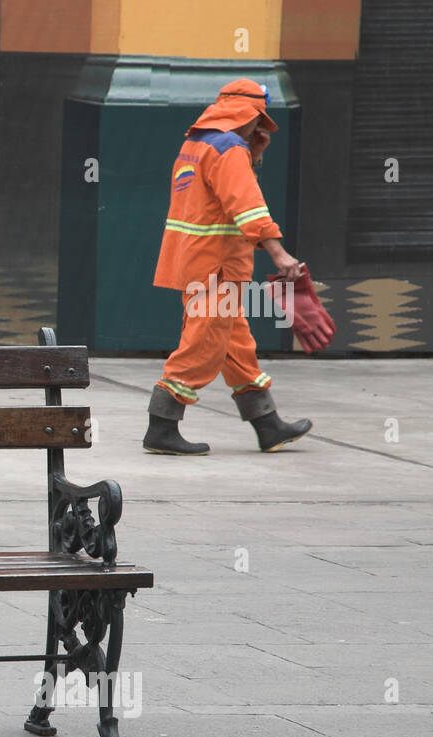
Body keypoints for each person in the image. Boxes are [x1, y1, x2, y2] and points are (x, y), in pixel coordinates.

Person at [145, 78, 313, 455]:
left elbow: (214, 201)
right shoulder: (229, 150)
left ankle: (267, 425)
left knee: (236, 347)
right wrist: (279, 254)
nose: (260, 128)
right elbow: (246, 206)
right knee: (202, 346)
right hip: (216, 266)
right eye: (260, 121)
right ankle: (162, 426)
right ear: (249, 115)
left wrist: (250, 153)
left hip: (196, 262)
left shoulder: (198, 143)